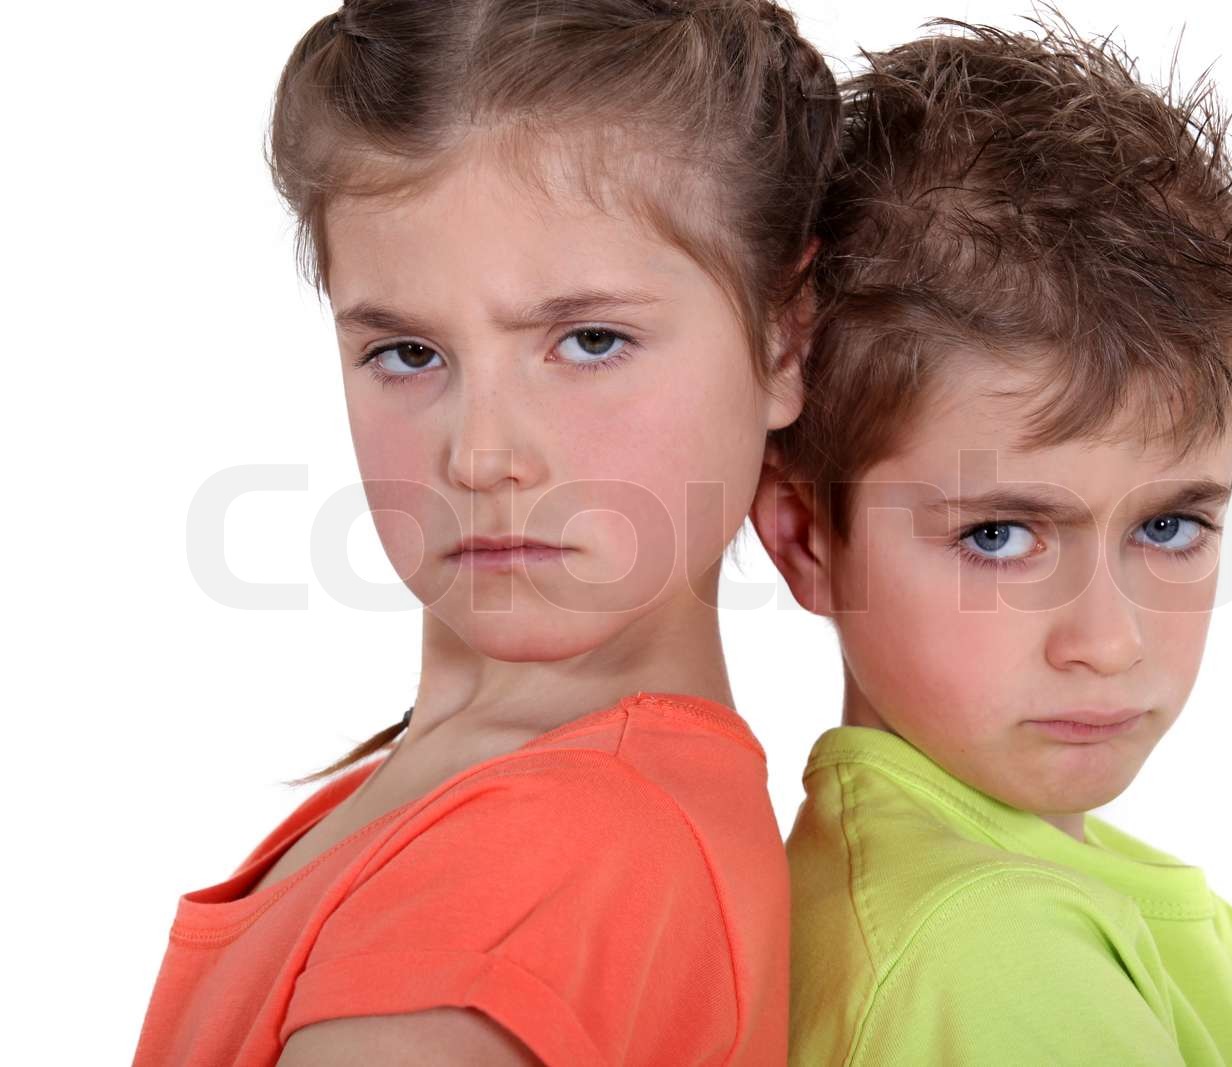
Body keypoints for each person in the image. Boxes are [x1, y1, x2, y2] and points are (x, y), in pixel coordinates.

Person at [133, 2, 837, 1064]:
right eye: (409, 353)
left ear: (786, 338)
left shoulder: (545, 851)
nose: (481, 452)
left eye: (589, 339)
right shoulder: (494, 802)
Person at [752, 15, 1232, 1065]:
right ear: (802, 537)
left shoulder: (1054, 891)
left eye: (1167, 524)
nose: (1107, 641)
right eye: (1001, 534)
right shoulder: (984, 946)